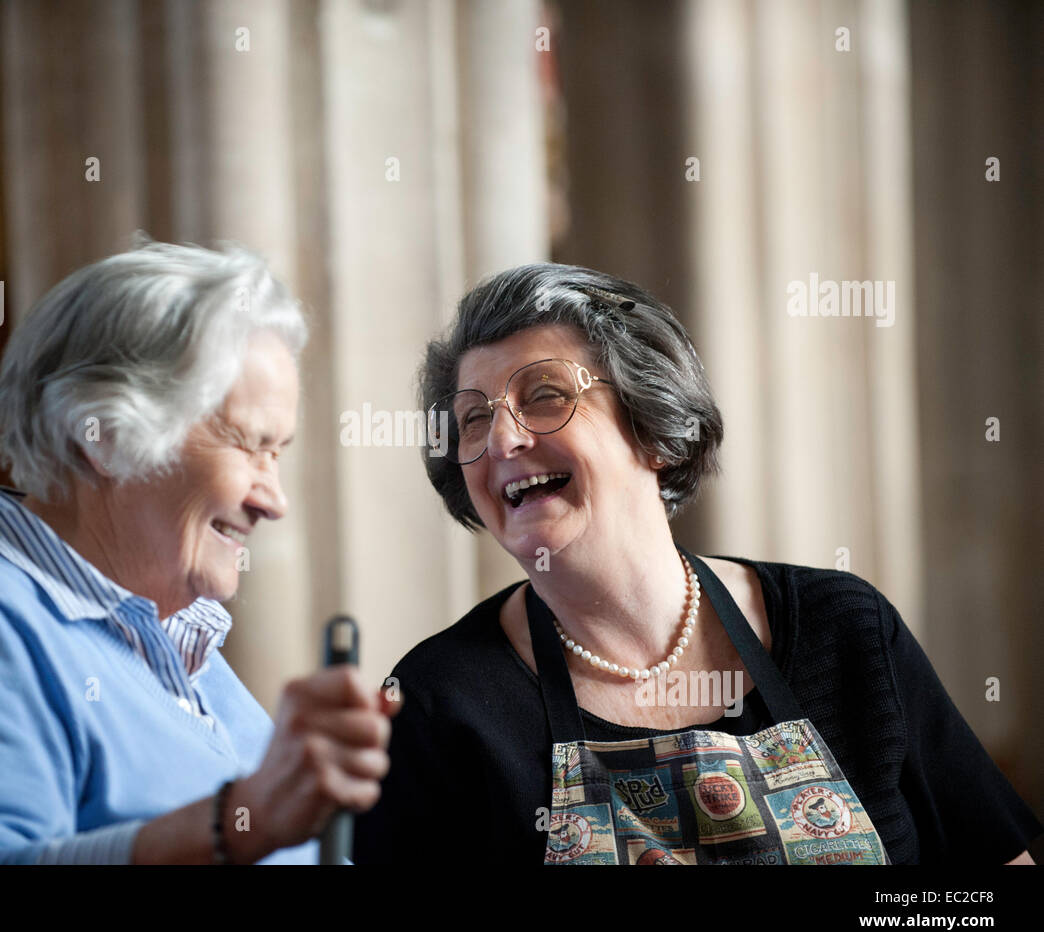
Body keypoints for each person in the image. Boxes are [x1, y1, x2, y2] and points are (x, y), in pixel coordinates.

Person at [353, 263, 1040, 865]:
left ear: (651, 427)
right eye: (474, 418)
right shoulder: (438, 705)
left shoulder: (847, 630)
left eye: (544, 395)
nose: (502, 436)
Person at [0, 240, 397, 864]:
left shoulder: (169, 637)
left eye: (279, 453)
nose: (274, 501)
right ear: (105, 436)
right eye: (248, 446)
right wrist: (238, 823)